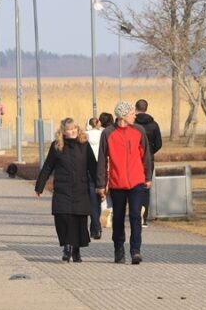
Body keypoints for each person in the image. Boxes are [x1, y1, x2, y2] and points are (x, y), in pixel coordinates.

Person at [96, 101, 153, 265]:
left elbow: (146, 156)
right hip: (117, 183)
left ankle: (136, 250)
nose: (135, 115)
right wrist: (101, 184)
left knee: (136, 216)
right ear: (122, 116)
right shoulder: (108, 133)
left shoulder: (139, 131)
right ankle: (118, 250)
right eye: (132, 113)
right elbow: (102, 160)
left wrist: (147, 177)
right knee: (119, 218)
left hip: (137, 182)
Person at [35, 118, 98, 263]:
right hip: (62, 189)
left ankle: (76, 250)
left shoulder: (84, 145)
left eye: (75, 128)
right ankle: (67, 246)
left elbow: (93, 167)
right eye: (70, 129)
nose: (73, 131)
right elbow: (48, 167)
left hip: (80, 189)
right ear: (63, 131)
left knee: (78, 220)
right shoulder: (57, 146)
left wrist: (100, 185)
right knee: (63, 218)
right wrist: (40, 186)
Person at [132, 99, 163, 226]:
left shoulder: (132, 123)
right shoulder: (154, 124)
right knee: (146, 186)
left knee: (133, 186)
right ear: (146, 108)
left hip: (133, 158)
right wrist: (150, 152)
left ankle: (135, 213)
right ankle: (144, 218)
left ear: (135, 108)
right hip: (148, 159)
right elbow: (159, 143)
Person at [85, 116, 104, 240]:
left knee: (92, 199)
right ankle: (96, 226)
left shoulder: (85, 135)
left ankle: (95, 226)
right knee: (97, 199)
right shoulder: (103, 134)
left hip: (88, 168)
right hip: (100, 168)